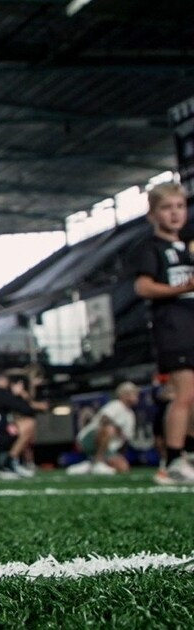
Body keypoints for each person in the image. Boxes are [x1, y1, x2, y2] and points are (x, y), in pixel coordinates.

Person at [132, 182, 194, 485]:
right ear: (153, 214)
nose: (174, 213)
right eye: (167, 207)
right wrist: (182, 288)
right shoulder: (151, 248)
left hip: (190, 325)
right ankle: (171, 461)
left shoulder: (187, 247)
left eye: (179, 206)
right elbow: (142, 287)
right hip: (173, 329)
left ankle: (187, 454)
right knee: (184, 395)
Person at [66, 382, 139, 475]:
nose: (136, 396)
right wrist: (118, 428)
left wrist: (117, 456)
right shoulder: (116, 405)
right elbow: (104, 419)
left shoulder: (130, 415)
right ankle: (98, 463)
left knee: (123, 467)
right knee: (109, 429)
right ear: (124, 395)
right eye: (133, 393)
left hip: (110, 447)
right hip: (90, 439)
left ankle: (88, 466)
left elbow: (125, 439)